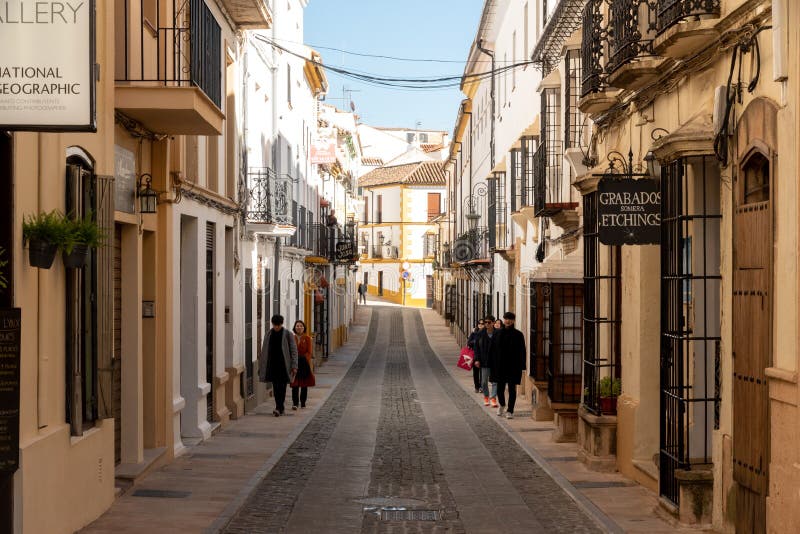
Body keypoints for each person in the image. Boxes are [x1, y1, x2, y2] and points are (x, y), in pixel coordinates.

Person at [258, 314, 298, 417]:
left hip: (284, 365)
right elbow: (264, 350)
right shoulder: (269, 334)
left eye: (278, 325)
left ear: (281, 324)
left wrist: (294, 366)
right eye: (275, 325)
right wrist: (262, 366)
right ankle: (278, 407)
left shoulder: (288, 334)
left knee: (282, 386)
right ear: (272, 324)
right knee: (275, 387)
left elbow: (294, 351)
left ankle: (280, 407)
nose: (276, 327)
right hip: (272, 364)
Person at [491, 311, 527, 419]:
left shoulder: (518, 334)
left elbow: (522, 351)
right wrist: (490, 363)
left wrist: (522, 366)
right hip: (499, 365)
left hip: (513, 366)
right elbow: (492, 349)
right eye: (506, 319)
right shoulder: (497, 333)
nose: (508, 321)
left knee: (512, 389)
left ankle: (510, 410)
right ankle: (502, 405)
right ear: (504, 319)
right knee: (499, 389)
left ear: (513, 321)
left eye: (510, 319)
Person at [290, 320, 315, 410]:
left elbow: (309, 352)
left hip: (304, 364)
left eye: (301, 326)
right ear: (294, 327)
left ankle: (303, 402)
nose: (299, 327)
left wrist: (303, 359)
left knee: (304, 384)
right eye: (297, 326)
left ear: (304, 327)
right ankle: (295, 403)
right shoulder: (292, 338)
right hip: (294, 364)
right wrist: (294, 361)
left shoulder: (307, 338)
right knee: (295, 384)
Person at [475, 315, 499, 408]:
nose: (487, 324)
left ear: (493, 323)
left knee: (495, 381)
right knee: (484, 382)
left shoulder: (498, 333)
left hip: (495, 361)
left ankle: (493, 398)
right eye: (485, 322)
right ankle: (486, 396)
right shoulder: (480, 334)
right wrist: (477, 359)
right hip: (484, 361)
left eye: (489, 322)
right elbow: (476, 347)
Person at [467, 320, 485, 393]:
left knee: (483, 372)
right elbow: (469, 343)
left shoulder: (485, 333)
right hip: (475, 355)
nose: (480, 325)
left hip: (483, 356)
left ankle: (481, 386)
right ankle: (476, 386)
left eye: (482, 324)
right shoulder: (474, 333)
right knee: (476, 372)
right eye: (479, 323)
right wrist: (475, 342)